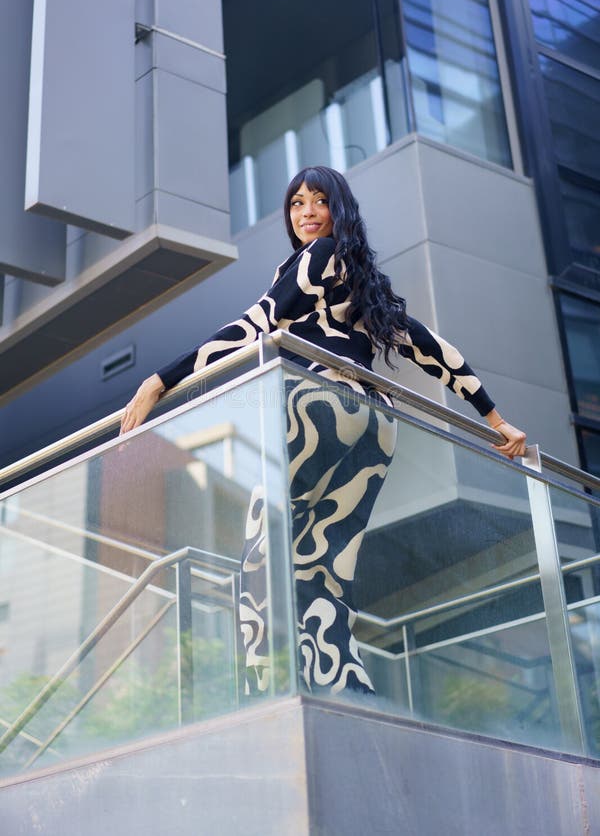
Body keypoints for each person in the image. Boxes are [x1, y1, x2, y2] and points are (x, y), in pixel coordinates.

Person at [120, 165, 526, 696]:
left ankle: (263, 692)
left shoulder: (314, 257)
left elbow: (255, 324)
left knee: (262, 551)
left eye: (318, 201)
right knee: (324, 569)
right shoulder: (360, 276)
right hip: (375, 420)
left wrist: (159, 380)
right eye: (296, 204)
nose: (307, 213)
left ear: (338, 209)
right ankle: (346, 692)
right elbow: (426, 345)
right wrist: (494, 418)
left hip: (318, 403)